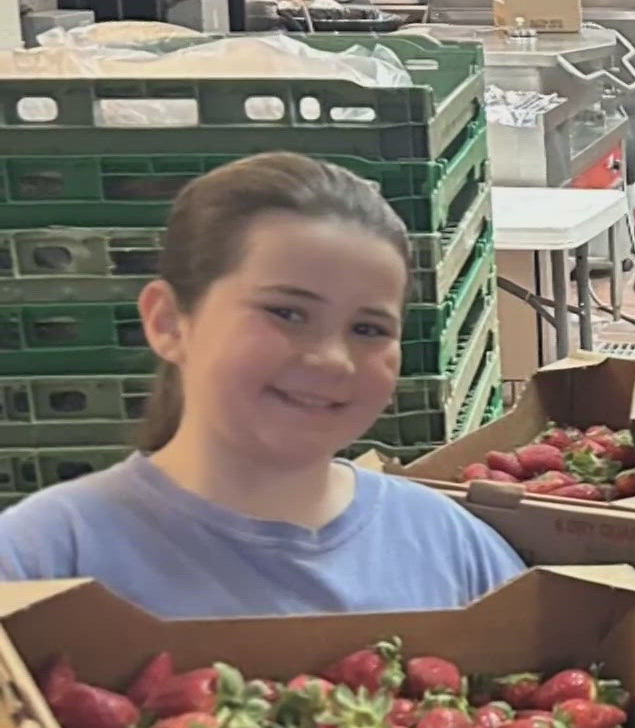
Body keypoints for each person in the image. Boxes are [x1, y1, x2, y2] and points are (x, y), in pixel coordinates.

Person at [0, 152, 527, 618]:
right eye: (286, 313)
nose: (331, 359)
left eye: (368, 329)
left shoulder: (452, 550)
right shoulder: (38, 559)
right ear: (168, 321)